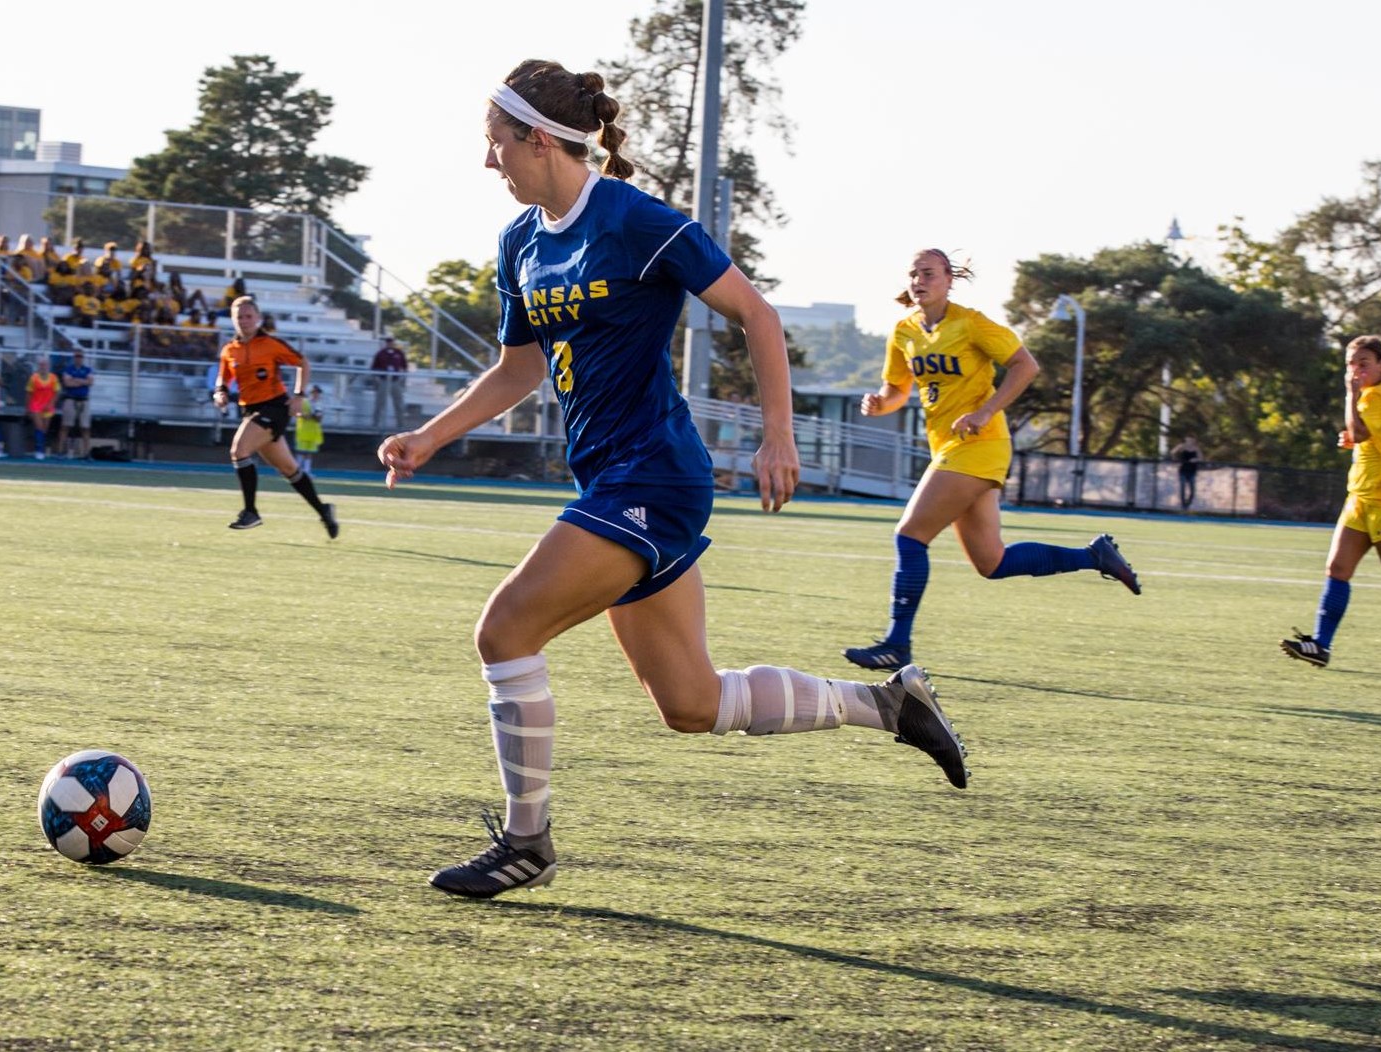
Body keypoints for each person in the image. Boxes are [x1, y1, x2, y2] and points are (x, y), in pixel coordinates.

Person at [377, 60, 969, 900]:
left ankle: (526, 843)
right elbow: (517, 372)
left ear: (537, 139)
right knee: (691, 703)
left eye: (494, 145)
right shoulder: (519, 244)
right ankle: (890, 707)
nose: (488, 164)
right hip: (614, 485)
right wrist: (429, 437)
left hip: (652, 476)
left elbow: (756, 315)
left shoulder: (633, 219)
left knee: (504, 631)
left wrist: (776, 439)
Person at [842, 249, 1143, 671]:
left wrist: (985, 411)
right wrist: (879, 404)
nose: (918, 280)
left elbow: (1025, 365)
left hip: (980, 443)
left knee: (909, 536)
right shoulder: (904, 331)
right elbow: (898, 390)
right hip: (948, 448)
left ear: (950, 280)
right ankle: (1093, 556)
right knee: (992, 563)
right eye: (913, 274)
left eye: (928, 273)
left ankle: (897, 643)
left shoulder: (971, 323)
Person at [1281, 336, 1381, 667]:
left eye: (1363, 363)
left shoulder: (1378, 396)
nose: (1356, 370)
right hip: (1361, 497)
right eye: (1351, 364)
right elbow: (1368, 438)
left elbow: (1363, 432)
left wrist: (1351, 399)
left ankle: (1322, 644)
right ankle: (1321, 645)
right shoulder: (1372, 395)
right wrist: (1352, 437)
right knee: (1337, 568)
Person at [213, 295, 338, 537]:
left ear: (258, 318)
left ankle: (251, 511)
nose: (244, 321)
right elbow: (224, 375)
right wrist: (220, 391)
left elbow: (303, 363)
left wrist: (299, 395)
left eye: (249, 316)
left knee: (239, 451)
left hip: (274, 407)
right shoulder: (230, 349)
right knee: (288, 468)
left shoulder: (271, 344)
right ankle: (324, 511)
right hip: (250, 409)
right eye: (239, 316)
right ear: (232, 319)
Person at [57, 349, 95, 459]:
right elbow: (67, 383)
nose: (78, 358)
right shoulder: (68, 369)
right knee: (65, 426)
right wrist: (82, 381)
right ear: (74, 357)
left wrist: (76, 380)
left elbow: (90, 382)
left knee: (85, 427)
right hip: (71, 399)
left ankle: (87, 453)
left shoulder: (87, 369)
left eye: (80, 356)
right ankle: (60, 451)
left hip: (84, 399)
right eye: (77, 356)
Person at [370, 336, 409, 429]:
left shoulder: (399, 353)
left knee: (399, 403)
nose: (390, 344)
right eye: (388, 342)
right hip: (384, 381)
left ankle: (400, 425)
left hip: (395, 381)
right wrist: (377, 379)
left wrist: (402, 379)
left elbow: (404, 366)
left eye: (391, 342)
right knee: (380, 403)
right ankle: (376, 423)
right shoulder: (380, 354)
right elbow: (374, 367)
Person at [26, 355, 60, 460]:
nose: (43, 367)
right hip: (36, 406)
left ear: (48, 366)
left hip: (48, 406)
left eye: (45, 364)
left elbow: (57, 392)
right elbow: (29, 393)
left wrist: (51, 404)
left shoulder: (53, 378)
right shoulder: (34, 378)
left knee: (45, 429)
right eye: (41, 365)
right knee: (39, 427)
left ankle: (41, 448)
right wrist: (28, 408)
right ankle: (39, 450)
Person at [294, 383, 326, 474]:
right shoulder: (304, 402)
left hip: (313, 431)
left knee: (309, 452)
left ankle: (307, 471)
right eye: (314, 392)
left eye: (317, 392)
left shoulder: (320, 404)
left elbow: (320, 418)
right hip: (303, 430)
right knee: (300, 451)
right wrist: (304, 415)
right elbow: (297, 413)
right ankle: (296, 470)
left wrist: (317, 416)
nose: (316, 394)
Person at [1170, 435, 1201, 511]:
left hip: (1192, 471)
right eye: (1188, 439)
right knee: (1182, 488)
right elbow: (1172, 452)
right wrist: (1176, 459)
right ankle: (1183, 505)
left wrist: (1195, 459)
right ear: (1186, 439)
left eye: (1191, 440)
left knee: (1192, 490)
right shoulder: (1182, 446)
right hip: (1183, 470)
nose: (1189, 441)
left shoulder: (1196, 448)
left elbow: (1201, 458)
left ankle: (1188, 504)